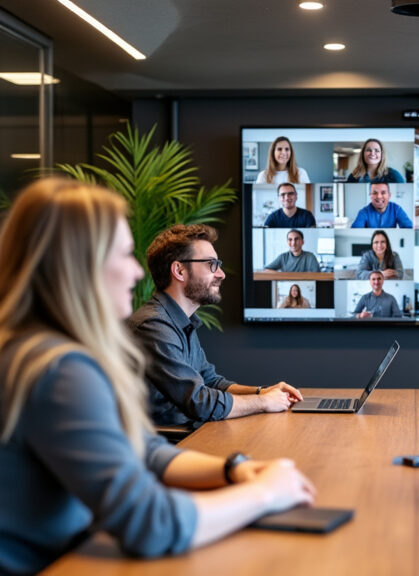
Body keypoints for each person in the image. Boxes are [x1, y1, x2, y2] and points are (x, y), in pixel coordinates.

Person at [0, 179, 315, 574]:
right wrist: (264, 494)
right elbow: (149, 522)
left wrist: (234, 469)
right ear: (77, 265)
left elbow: (141, 447)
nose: (137, 272)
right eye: (123, 254)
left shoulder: (45, 351)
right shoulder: (58, 369)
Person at [130, 225, 305, 427]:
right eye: (211, 264)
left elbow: (211, 381)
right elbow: (199, 402)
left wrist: (262, 392)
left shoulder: (180, 321)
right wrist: (263, 402)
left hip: (189, 433)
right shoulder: (153, 326)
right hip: (167, 440)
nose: (221, 274)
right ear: (179, 270)